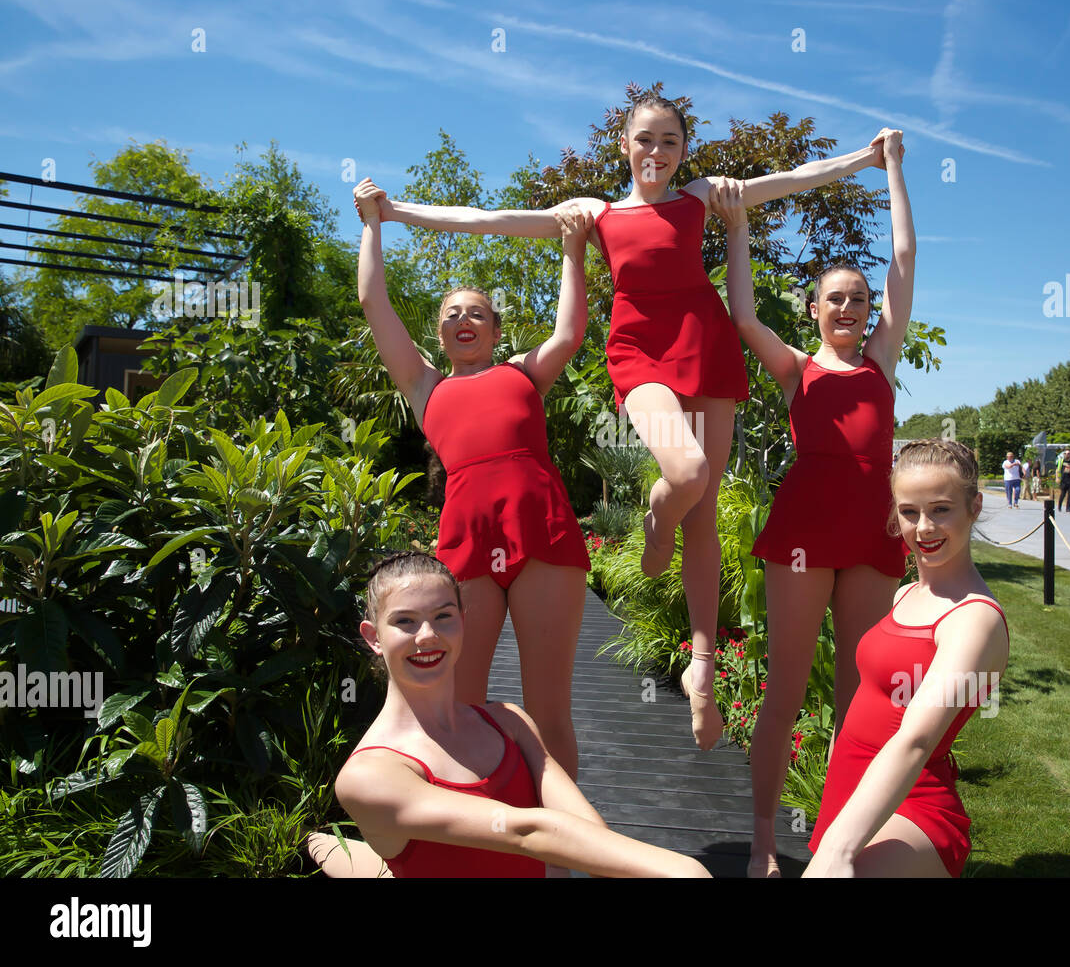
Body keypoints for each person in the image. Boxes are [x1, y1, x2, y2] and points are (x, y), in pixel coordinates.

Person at [359, 93, 898, 752]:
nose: (657, 152)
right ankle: (656, 520)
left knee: (703, 513)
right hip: (639, 352)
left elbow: (788, 180)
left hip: (706, 343)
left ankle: (702, 665)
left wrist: (863, 160)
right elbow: (490, 221)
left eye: (670, 141)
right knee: (688, 471)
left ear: (684, 149)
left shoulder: (701, 197)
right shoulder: (598, 214)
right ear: (625, 144)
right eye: (645, 139)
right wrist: (397, 212)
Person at [709, 126, 913, 876]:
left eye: (859, 299)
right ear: (816, 309)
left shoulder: (882, 360)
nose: (849, 308)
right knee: (786, 690)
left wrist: (892, 168)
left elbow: (903, 259)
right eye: (835, 299)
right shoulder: (799, 370)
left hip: (871, 533)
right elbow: (742, 316)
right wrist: (737, 226)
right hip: (803, 531)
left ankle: (839, 841)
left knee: (862, 699)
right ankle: (765, 840)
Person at [354, 183, 591, 778]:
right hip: (466, 545)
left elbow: (568, 334)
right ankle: (479, 820)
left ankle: (563, 833)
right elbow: (373, 303)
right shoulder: (425, 387)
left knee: (548, 711)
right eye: (452, 314)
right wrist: (373, 224)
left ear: (495, 330)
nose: (464, 319)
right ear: (439, 335)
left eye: (477, 313)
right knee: (460, 705)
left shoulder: (522, 373)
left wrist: (572, 247)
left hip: (542, 535)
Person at [329, 551, 710, 877]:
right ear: (373, 637)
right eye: (404, 621)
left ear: (463, 621)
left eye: (443, 616)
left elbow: (590, 834)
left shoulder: (507, 722)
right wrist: (686, 869)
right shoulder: (369, 775)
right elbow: (525, 832)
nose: (427, 635)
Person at [803, 440, 1009, 878]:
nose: (924, 527)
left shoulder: (974, 619)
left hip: (912, 801)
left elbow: (915, 739)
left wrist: (839, 849)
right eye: (910, 512)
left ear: (974, 507)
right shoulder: (905, 594)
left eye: (941, 509)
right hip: (855, 788)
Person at [1055, 448, 1070, 513]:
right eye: (1066, 453)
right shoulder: (1061, 461)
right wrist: (1057, 478)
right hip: (1063, 479)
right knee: (1063, 494)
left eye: (1069, 453)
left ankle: (1068, 508)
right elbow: (1057, 470)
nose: (1067, 455)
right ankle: (1059, 506)